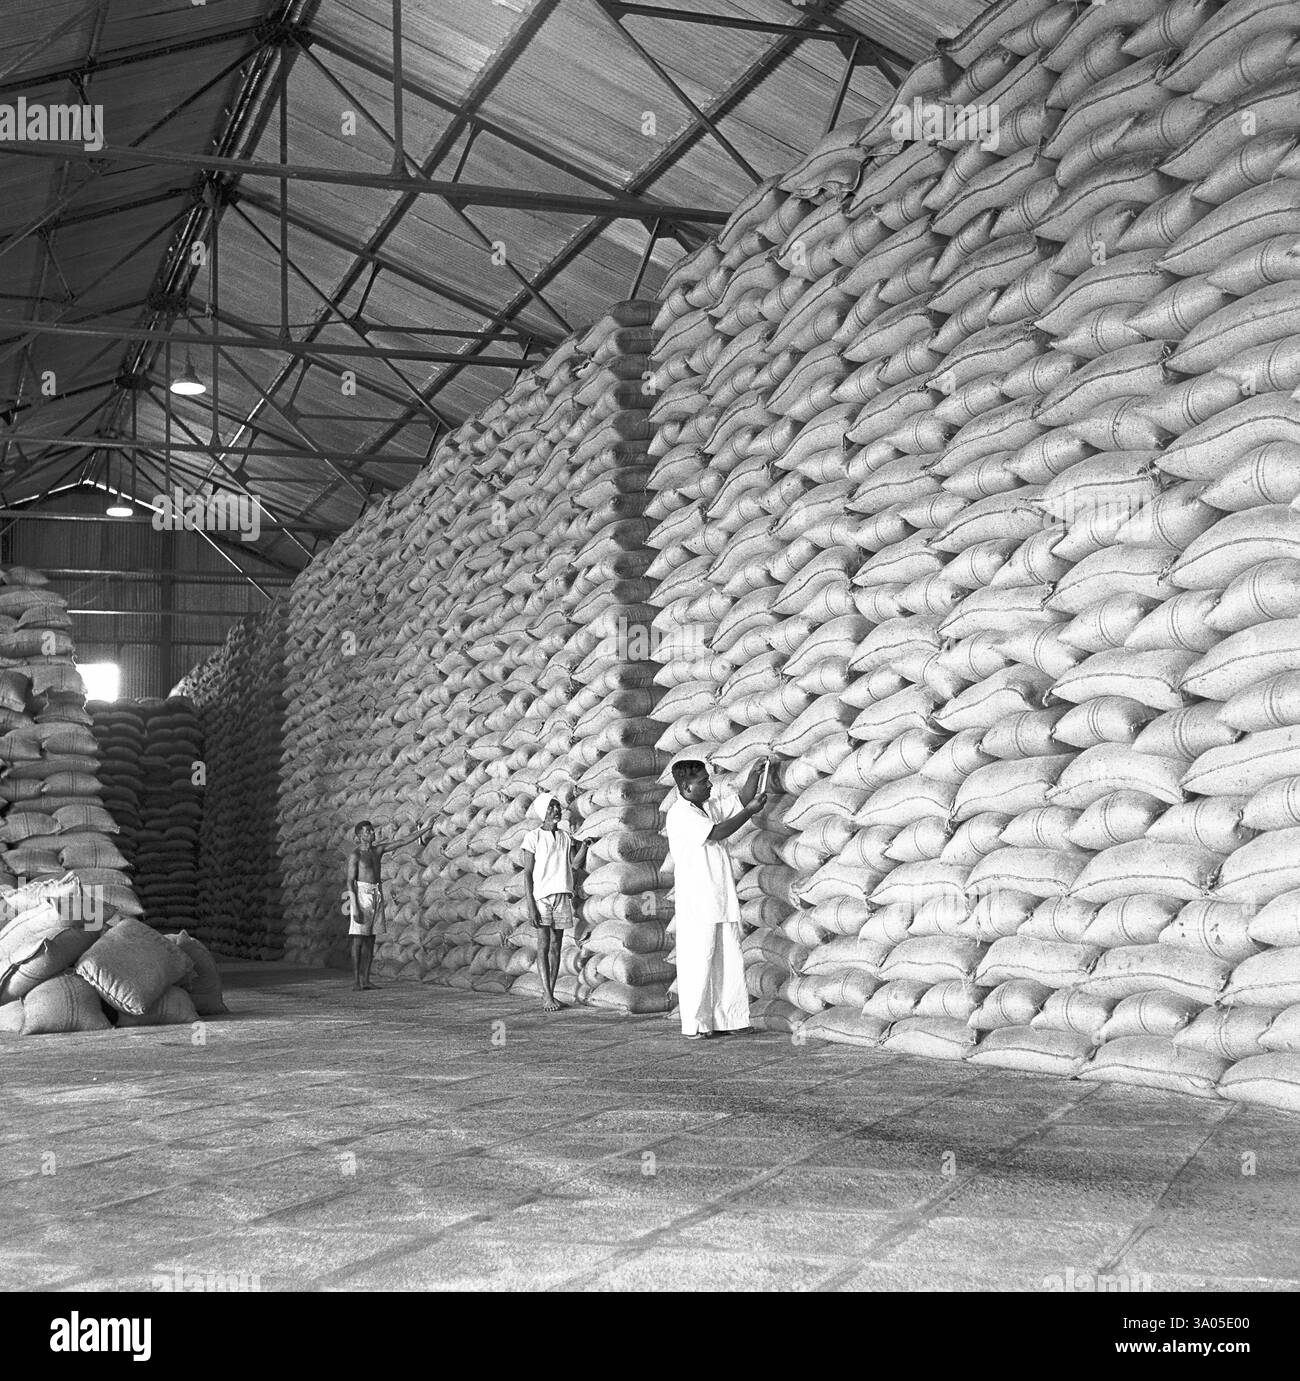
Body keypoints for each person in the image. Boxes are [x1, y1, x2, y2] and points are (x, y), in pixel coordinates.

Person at [664, 758, 769, 1040]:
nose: (710, 785)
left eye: (708, 780)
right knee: (700, 962)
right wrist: (750, 812)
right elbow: (718, 832)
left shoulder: (705, 806)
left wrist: (753, 777)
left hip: (719, 897)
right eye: (703, 782)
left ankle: (730, 1019)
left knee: (728, 960)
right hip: (698, 902)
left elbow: (738, 800)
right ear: (686, 787)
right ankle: (697, 1024)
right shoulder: (680, 814)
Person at [520, 792, 591, 1013]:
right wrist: (531, 904)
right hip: (542, 897)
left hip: (562, 894)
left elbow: (574, 866)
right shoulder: (532, 837)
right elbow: (527, 874)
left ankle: (549, 993)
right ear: (543, 812)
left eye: (557, 807)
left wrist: (585, 846)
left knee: (556, 946)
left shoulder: (565, 837)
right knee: (543, 944)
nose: (556, 810)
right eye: (551, 808)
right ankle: (547, 996)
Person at [346, 819, 431, 991]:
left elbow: (402, 841)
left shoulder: (378, 850)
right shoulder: (356, 855)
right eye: (368, 831)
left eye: (372, 830)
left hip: (376, 893)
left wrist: (427, 828)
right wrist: (354, 906)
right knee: (358, 939)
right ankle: (356, 980)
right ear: (359, 836)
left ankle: (366, 979)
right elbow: (349, 881)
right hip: (362, 895)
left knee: (371, 939)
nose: (372, 833)